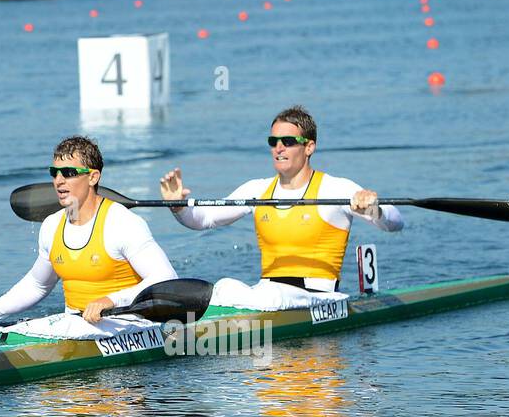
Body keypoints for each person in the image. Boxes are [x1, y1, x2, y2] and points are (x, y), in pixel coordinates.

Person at [158, 105, 403, 308]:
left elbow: (395, 222)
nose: (279, 147)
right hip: (268, 295)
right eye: (273, 141)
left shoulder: (334, 188)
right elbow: (203, 219)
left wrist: (374, 208)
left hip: (320, 298)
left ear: (309, 147)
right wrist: (177, 206)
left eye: (288, 141)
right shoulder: (257, 190)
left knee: (268, 296)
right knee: (225, 286)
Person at [0, 136, 177, 338]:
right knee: (5, 335)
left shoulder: (122, 223)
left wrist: (111, 301)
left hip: (128, 323)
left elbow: (165, 278)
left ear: (93, 177)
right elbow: (37, 285)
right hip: (77, 325)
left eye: (69, 173)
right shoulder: (51, 225)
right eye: (54, 173)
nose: (58, 181)